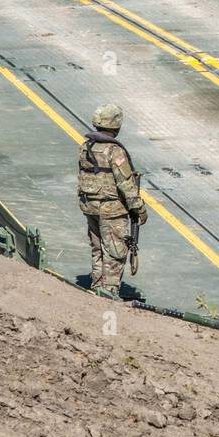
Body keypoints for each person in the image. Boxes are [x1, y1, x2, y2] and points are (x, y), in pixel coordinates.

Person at [77, 104, 147, 297]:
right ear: (116, 125)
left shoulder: (86, 147)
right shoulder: (114, 151)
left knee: (98, 249)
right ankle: (109, 293)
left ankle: (96, 288)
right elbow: (126, 184)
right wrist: (139, 209)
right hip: (112, 210)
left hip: (90, 206)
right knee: (115, 252)